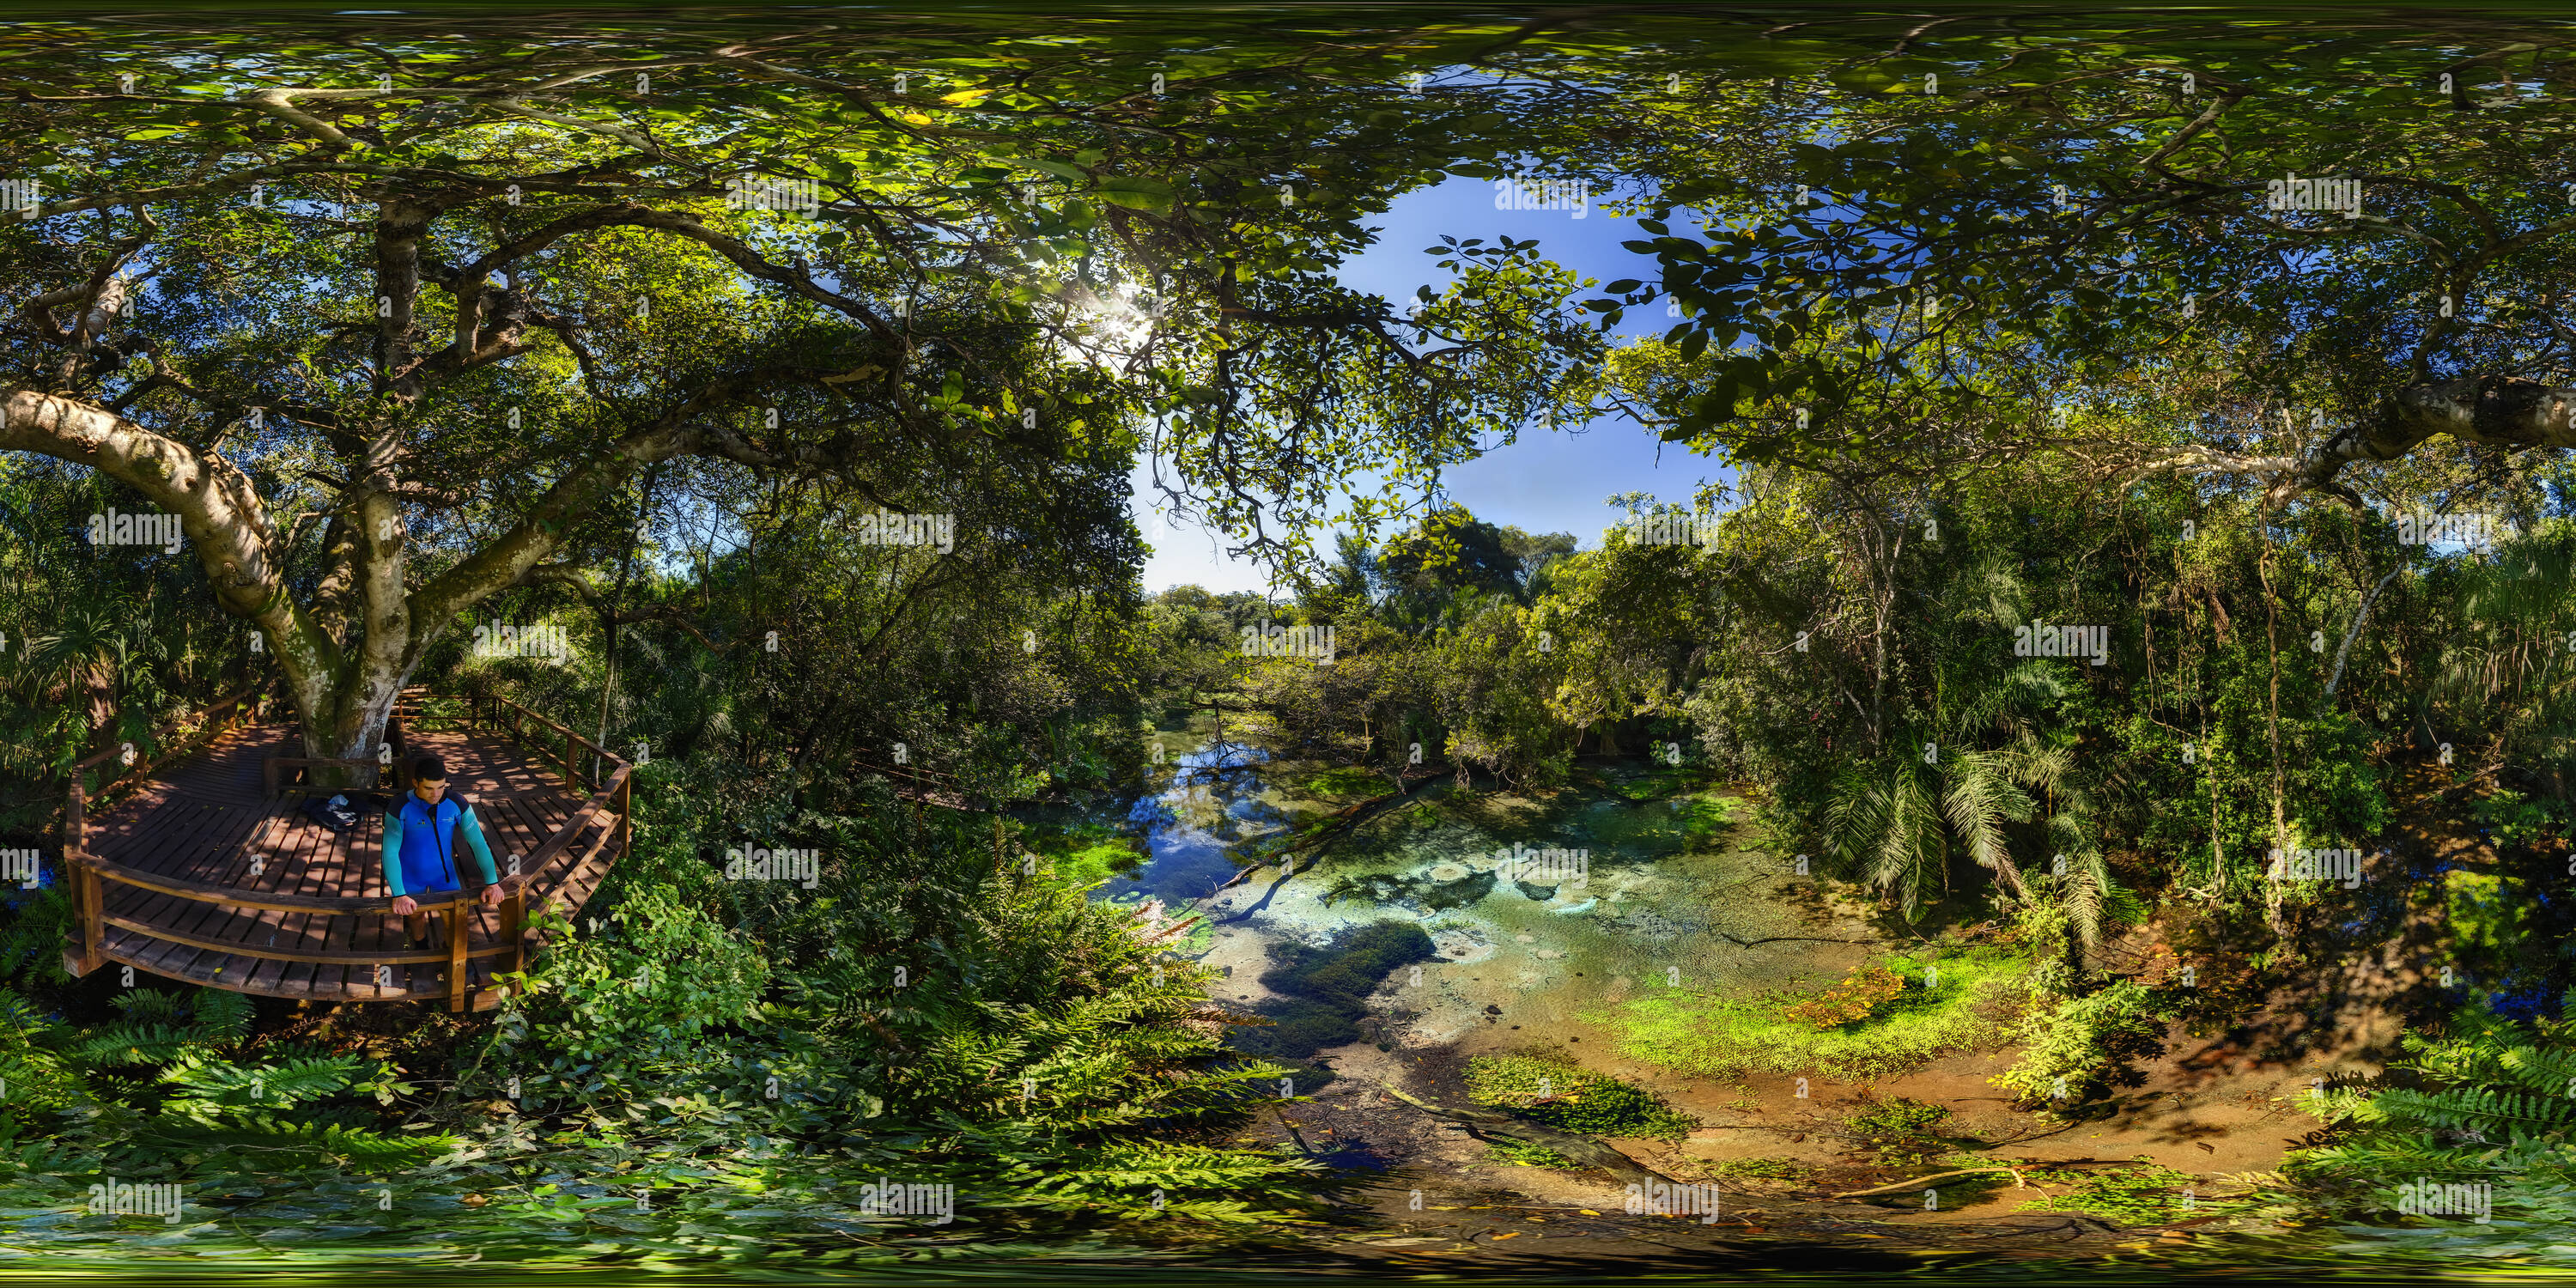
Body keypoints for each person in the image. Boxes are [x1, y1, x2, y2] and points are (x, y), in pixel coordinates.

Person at [381, 754, 505, 948]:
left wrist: (492, 882)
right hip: (411, 876)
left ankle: (451, 955)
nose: (436, 794)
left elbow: (478, 843)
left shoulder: (457, 803)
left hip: (444, 877)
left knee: (455, 921)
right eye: (429, 788)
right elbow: (389, 852)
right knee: (415, 917)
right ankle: (421, 948)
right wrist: (398, 894)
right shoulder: (399, 806)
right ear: (415, 783)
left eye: (441, 787)